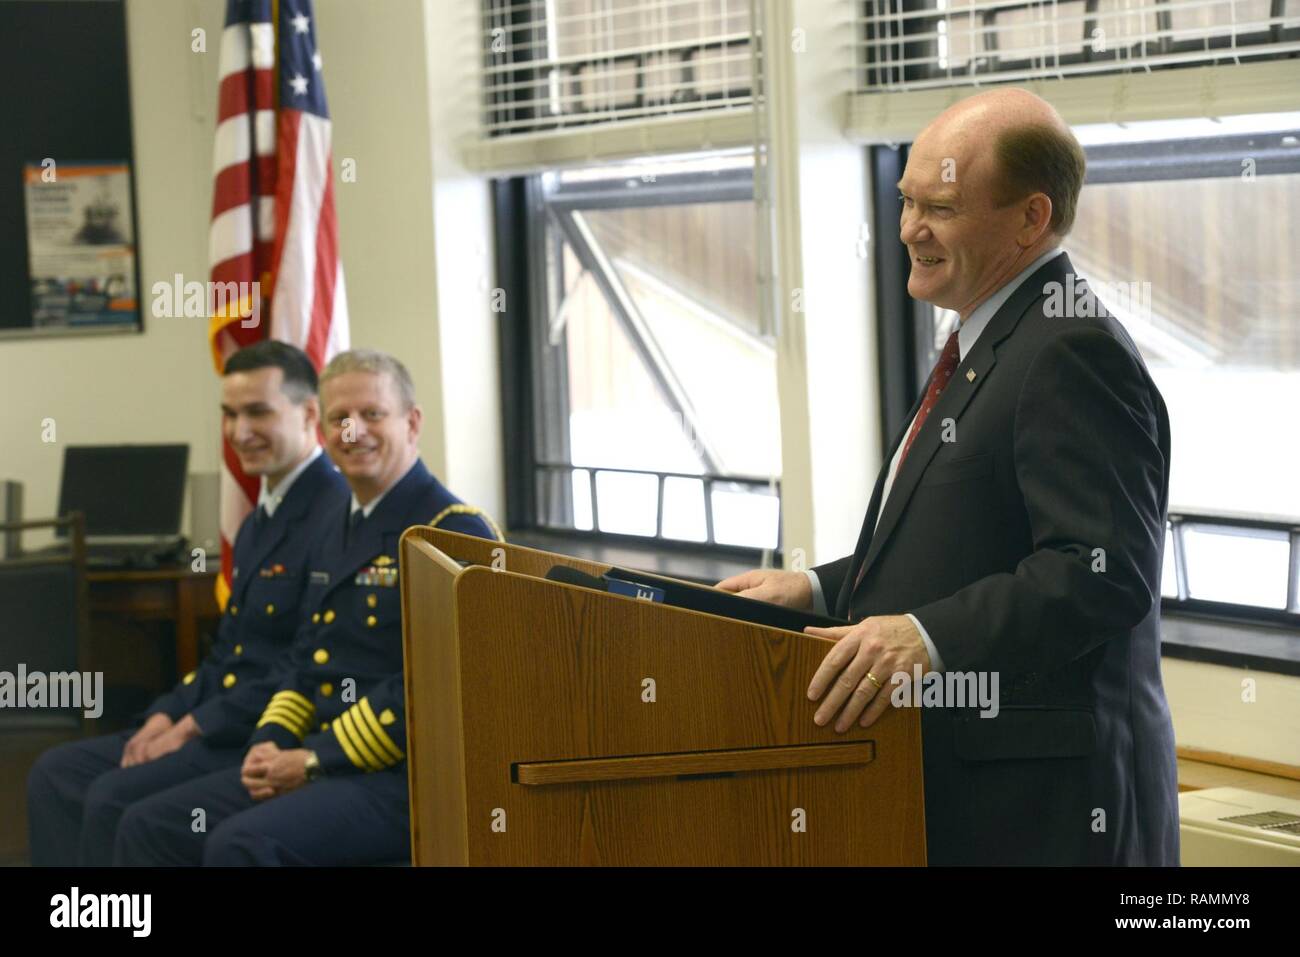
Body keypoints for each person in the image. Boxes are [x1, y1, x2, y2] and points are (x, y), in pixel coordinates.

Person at [719, 88, 1179, 866]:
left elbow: (1100, 573)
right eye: (904, 202)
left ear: (1031, 219)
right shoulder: (986, 336)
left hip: (1051, 817)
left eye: (940, 207)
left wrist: (928, 639)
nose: (909, 230)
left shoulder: (1070, 349)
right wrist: (825, 590)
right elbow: (971, 539)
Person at [114, 349, 502, 865]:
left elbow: (441, 686)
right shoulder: (334, 525)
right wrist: (270, 741)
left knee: (241, 844)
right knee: (150, 823)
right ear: (321, 428)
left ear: (412, 422)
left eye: (372, 415)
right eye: (340, 418)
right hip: (323, 758)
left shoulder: (452, 530)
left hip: (408, 779)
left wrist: (316, 758)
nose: (354, 431)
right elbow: (306, 660)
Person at [28, 340, 349, 865]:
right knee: (57, 773)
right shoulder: (259, 519)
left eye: (257, 412)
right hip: (216, 715)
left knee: (115, 797)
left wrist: (192, 727)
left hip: (261, 731)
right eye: (229, 414)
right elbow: (227, 654)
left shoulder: (334, 515)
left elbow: (301, 668)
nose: (239, 431)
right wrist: (165, 715)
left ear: (309, 413)